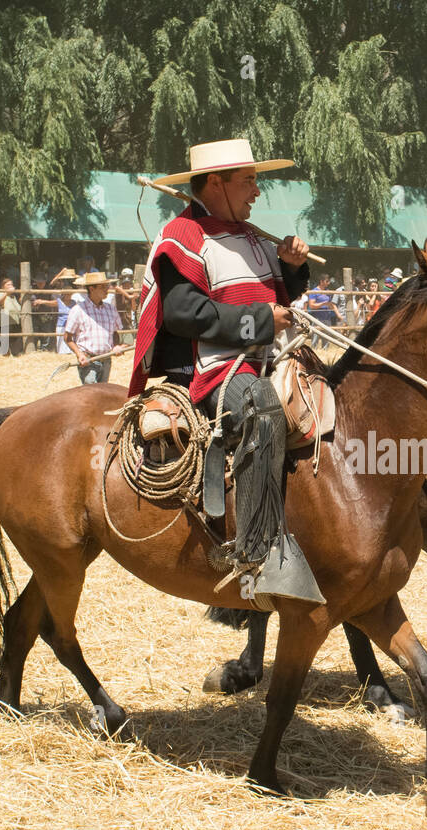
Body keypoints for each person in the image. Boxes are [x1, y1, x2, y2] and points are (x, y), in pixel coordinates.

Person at [128, 137, 320, 605]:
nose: (258, 191)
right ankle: (257, 552)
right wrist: (259, 320)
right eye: (249, 181)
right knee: (260, 407)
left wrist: (292, 270)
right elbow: (181, 313)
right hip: (206, 368)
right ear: (216, 183)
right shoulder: (182, 237)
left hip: (255, 358)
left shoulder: (252, 238)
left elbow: (276, 298)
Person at [62, 271, 128, 382]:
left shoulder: (111, 309)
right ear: (91, 289)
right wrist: (79, 354)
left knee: (102, 394)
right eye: (102, 287)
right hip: (88, 360)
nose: (106, 289)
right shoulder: (78, 310)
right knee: (92, 392)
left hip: (106, 359)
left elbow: (115, 332)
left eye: (106, 286)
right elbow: (67, 338)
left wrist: (116, 345)